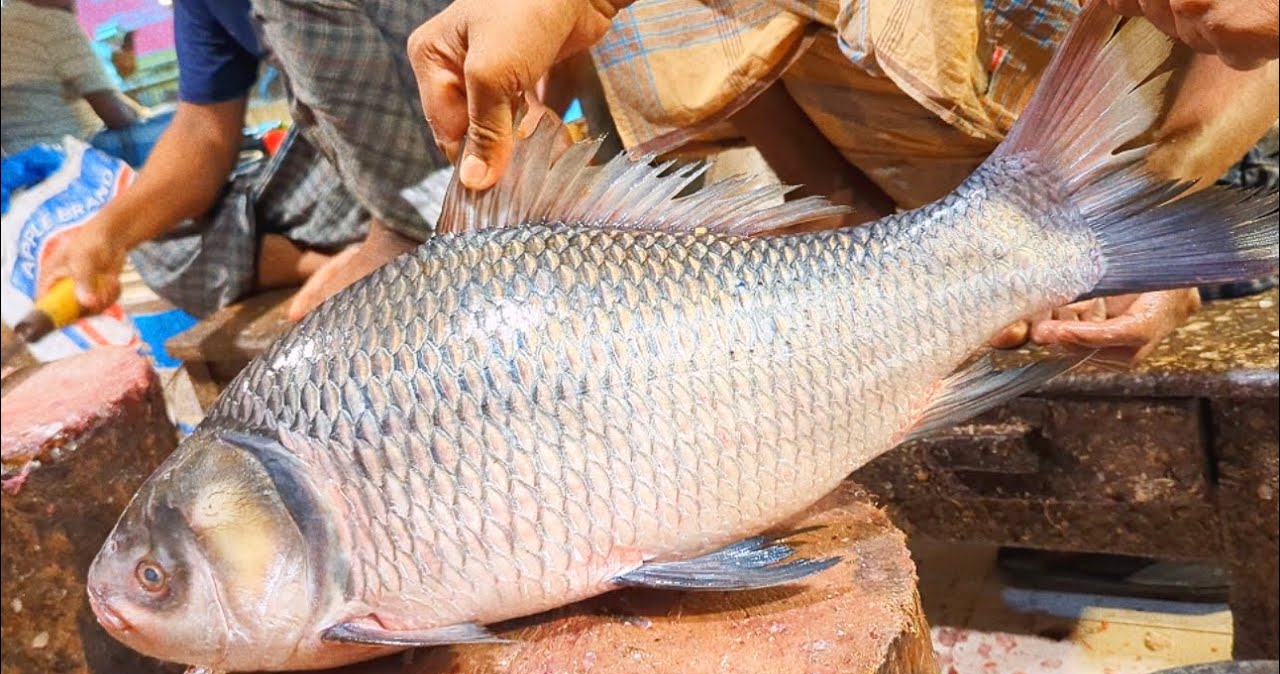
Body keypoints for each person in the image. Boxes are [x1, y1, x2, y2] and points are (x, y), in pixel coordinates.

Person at [406, 0, 1279, 365]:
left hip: (1154, 126)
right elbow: (748, 59)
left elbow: (1240, 30)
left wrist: (1163, 195)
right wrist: (862, 233)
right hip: (914, 186)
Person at [34, 0, 372, 320]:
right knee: (155, 243)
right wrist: (106, 234)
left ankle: (390, 245)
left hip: (411, 124)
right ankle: (325, 262)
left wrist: (385, 241)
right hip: (342, 146)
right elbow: (204, 132)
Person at [1, 0, 142, 155]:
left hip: (18, 166)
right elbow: (114, 114)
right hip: (67, 160)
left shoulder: (6, 22)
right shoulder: (53, 23)